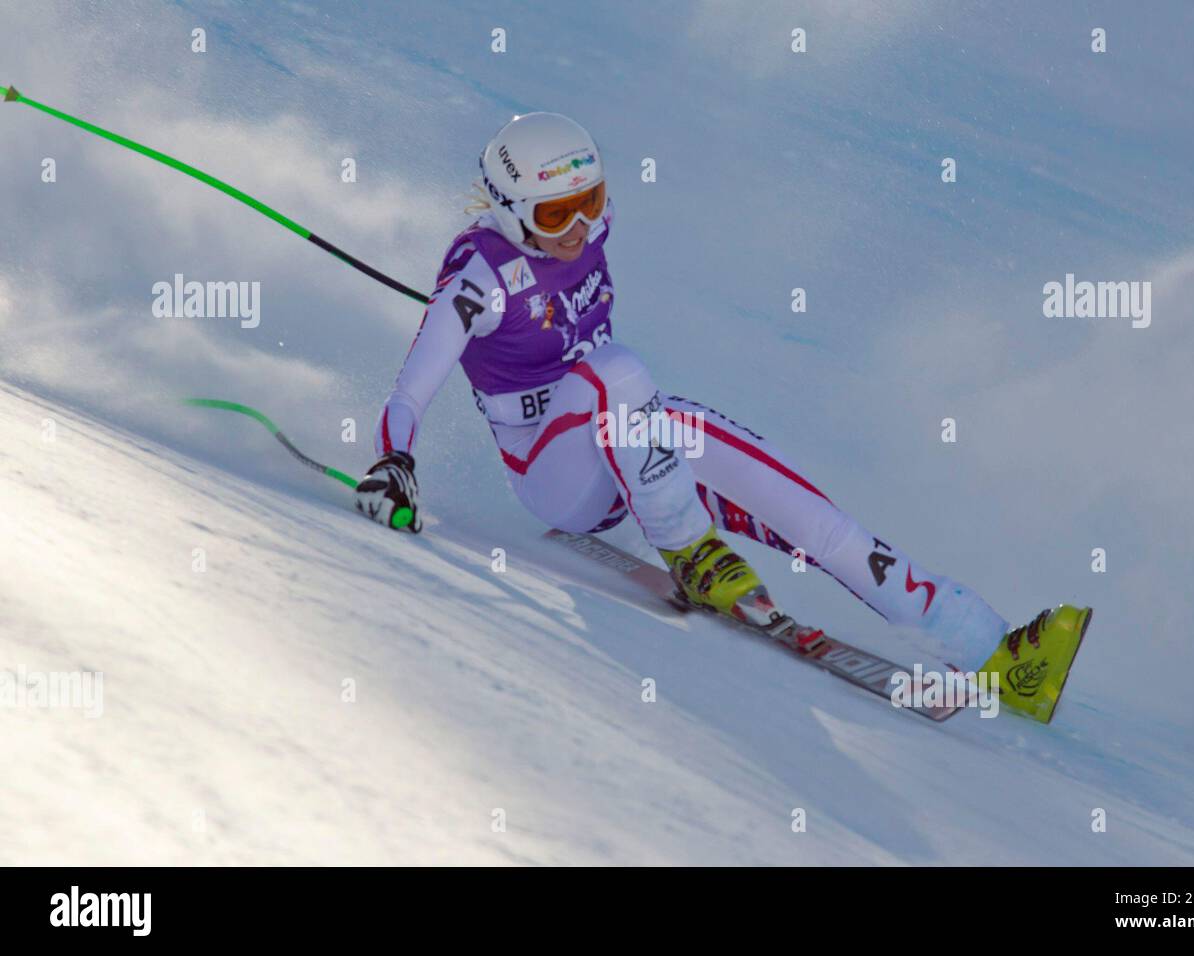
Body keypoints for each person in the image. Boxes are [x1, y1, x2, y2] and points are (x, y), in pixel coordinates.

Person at [356, 112, 1092, 722]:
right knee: (622, 371)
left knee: (801, 508)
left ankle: (991, 652)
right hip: (555, 477)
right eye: (556, 212)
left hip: (629, 441)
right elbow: (411, 389)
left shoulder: (586, 229)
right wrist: (395, 462)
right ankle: (691, 550)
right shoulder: (481, 278)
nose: (580, 225)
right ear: (511, 208)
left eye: (592, 198)